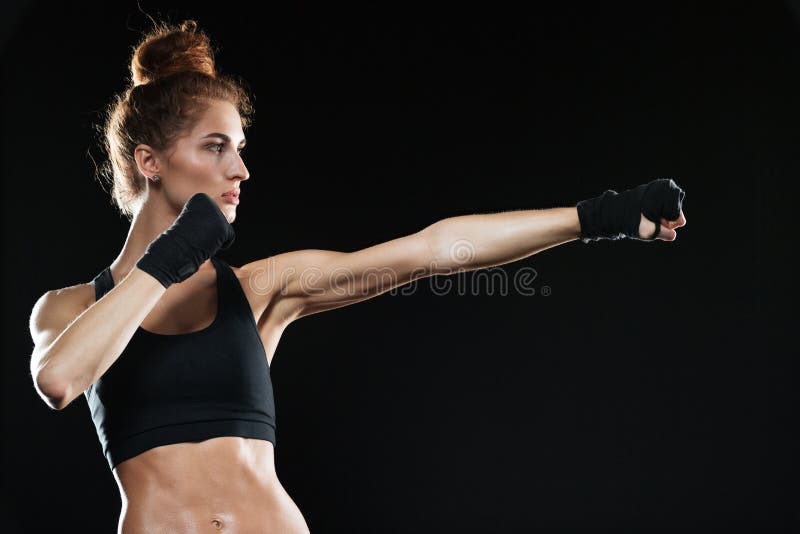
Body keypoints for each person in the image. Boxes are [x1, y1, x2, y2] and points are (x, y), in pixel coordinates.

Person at [26, 18, 687, 534]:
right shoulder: (69, 309)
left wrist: (597, 216)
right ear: (150, 160)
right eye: (215, 147)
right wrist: (168, 258)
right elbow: (60, 379)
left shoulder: (259, 290)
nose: (241, 172)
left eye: (241, 150)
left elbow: (431, 250)